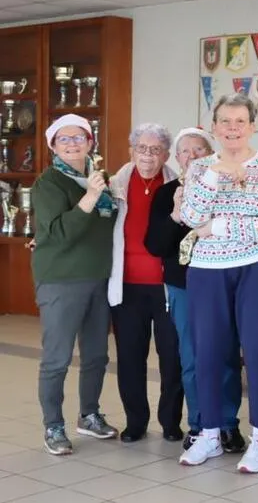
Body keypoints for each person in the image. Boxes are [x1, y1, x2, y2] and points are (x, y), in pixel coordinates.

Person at [177, 93, 258, 474]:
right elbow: (190, 216)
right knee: (207, 352)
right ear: (214, 126)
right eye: (226, 121)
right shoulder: (199, 169)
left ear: (252, 126)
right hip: (207, 268)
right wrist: (212, 175)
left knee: (257, 353)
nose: (233, 128)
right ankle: (209, 433)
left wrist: (216, 227)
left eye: (241, 121)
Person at [145, 127, 246, 453]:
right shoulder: (166, 193)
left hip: (222, 282)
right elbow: (156, 245)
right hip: (183, 285)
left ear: (211, 153)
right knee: (191, 358)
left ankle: (228, 424)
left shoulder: (229, 186)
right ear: (177, 158)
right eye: (185, 151)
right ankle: (200, 424)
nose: (192, 156)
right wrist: (176, 215)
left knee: (227, 356)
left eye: (199, 150)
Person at [32, 114, 120, 455]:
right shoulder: (49, 182)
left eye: (78, 137)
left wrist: (100, 191)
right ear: (53, 145)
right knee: (56, 359)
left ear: (90, 142)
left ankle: (89, 415)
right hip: (61, 280)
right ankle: (53, 426)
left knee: (97, 355)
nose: (72, 144)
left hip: (99, 278)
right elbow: (57, 233)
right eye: (64, 139)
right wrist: (89, 198)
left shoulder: (98, 178)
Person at [107, 122, 183, 443]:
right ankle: (135, 421)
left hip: (167, 286)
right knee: (130, 356)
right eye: (142, 148)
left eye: (155, 150)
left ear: (166, 154)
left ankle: (170, 422)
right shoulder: (115, 185)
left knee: (172, 356)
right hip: (126, 285)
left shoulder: (178, 186)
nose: (148, 155)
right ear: (132, 150)